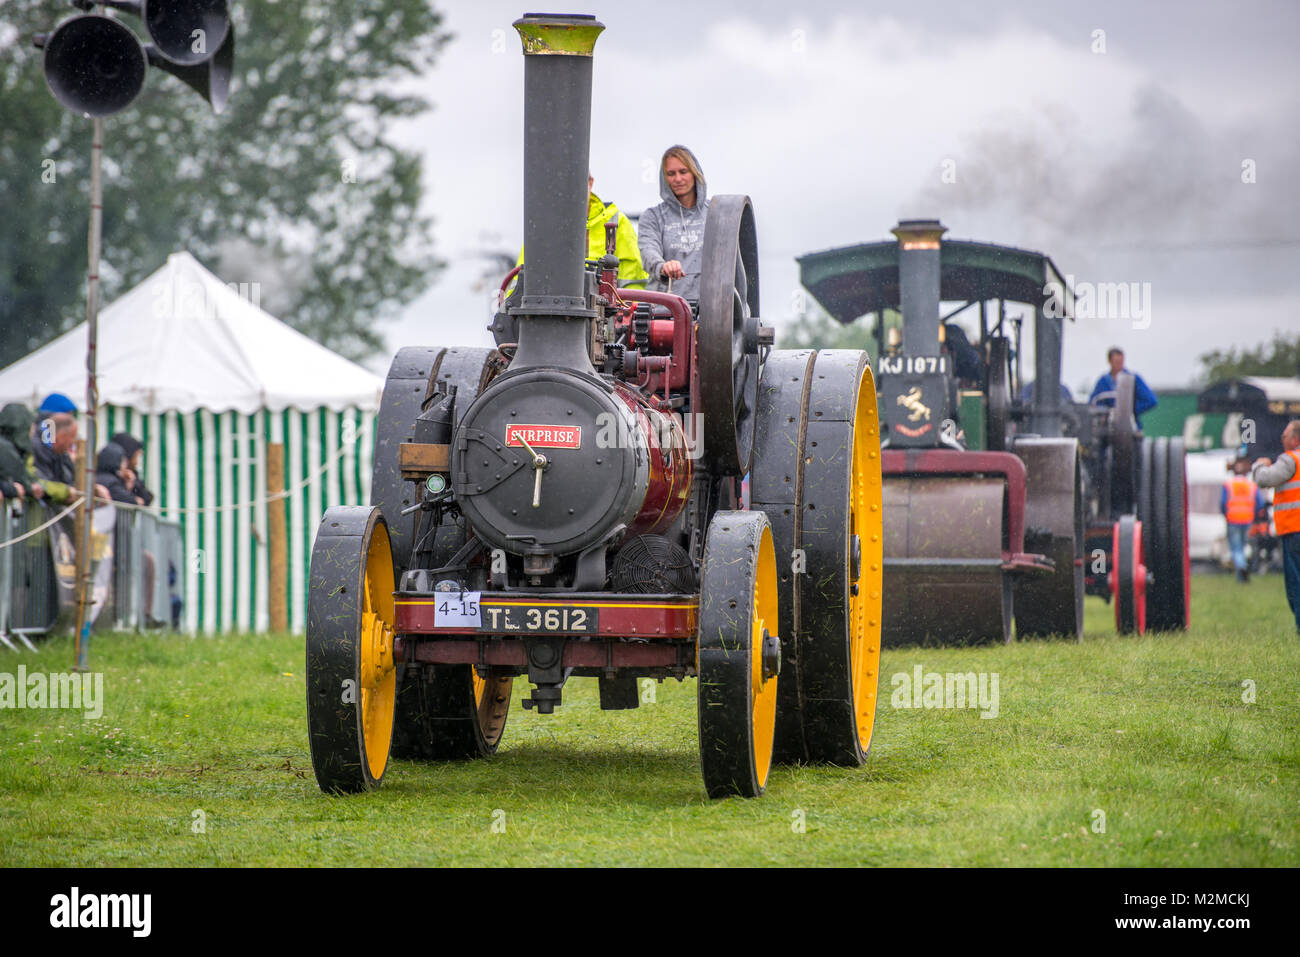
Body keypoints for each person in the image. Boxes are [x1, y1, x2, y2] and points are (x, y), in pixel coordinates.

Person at [513, 174, 647, 290]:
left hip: (605, 315)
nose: (572, 193)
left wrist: (623, 315)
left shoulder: (617, 222)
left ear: (591, 182)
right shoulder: (543, 227)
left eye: (576, 185)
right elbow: (518, 283)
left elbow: (633, 281)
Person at [638, 145, 710, 301]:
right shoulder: (652, 217)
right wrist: (663, 266)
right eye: (671, 174)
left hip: (709, 310)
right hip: (665, 309)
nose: (678, 179)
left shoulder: (715, 213)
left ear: (694, 173)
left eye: (683, 172)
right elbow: (648, 251)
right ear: (664, 178)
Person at [1251, 420, 1300, 633]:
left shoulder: (1291, 460)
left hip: (1294, 529)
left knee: (1295, 580)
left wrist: (1259, 464)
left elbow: (1265, 479)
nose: (1282, 440)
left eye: (1285, 436)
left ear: (1296, 439)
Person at [1222, 451, 1266, 582]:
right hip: (1247, 519)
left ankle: (1241, 568)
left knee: (1236, 547)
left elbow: (1223, 503)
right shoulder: (1251, 485)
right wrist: (1254, 514)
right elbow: (1260, 503)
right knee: (1244, 545)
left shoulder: (1228, 484)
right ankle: (1245, 567)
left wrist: (1226, 514)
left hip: (1233, 519)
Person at [1089, 347, 1158, 427]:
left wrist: (1130, 411)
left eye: (1121, 362)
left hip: (1130, 427)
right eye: (1116, 362)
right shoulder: (1103, 381)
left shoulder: (1133, 379)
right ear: (1110, 361)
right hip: (1107, 428)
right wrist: (1106, 412)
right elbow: (1093, 402)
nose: (1119, 365)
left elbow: (1151, 400)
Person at [111, 432, 154, 506]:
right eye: (136, 456)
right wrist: (135, 500)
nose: (136, 462)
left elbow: (147, 498)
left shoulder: (132, 475)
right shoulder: (111, 477)